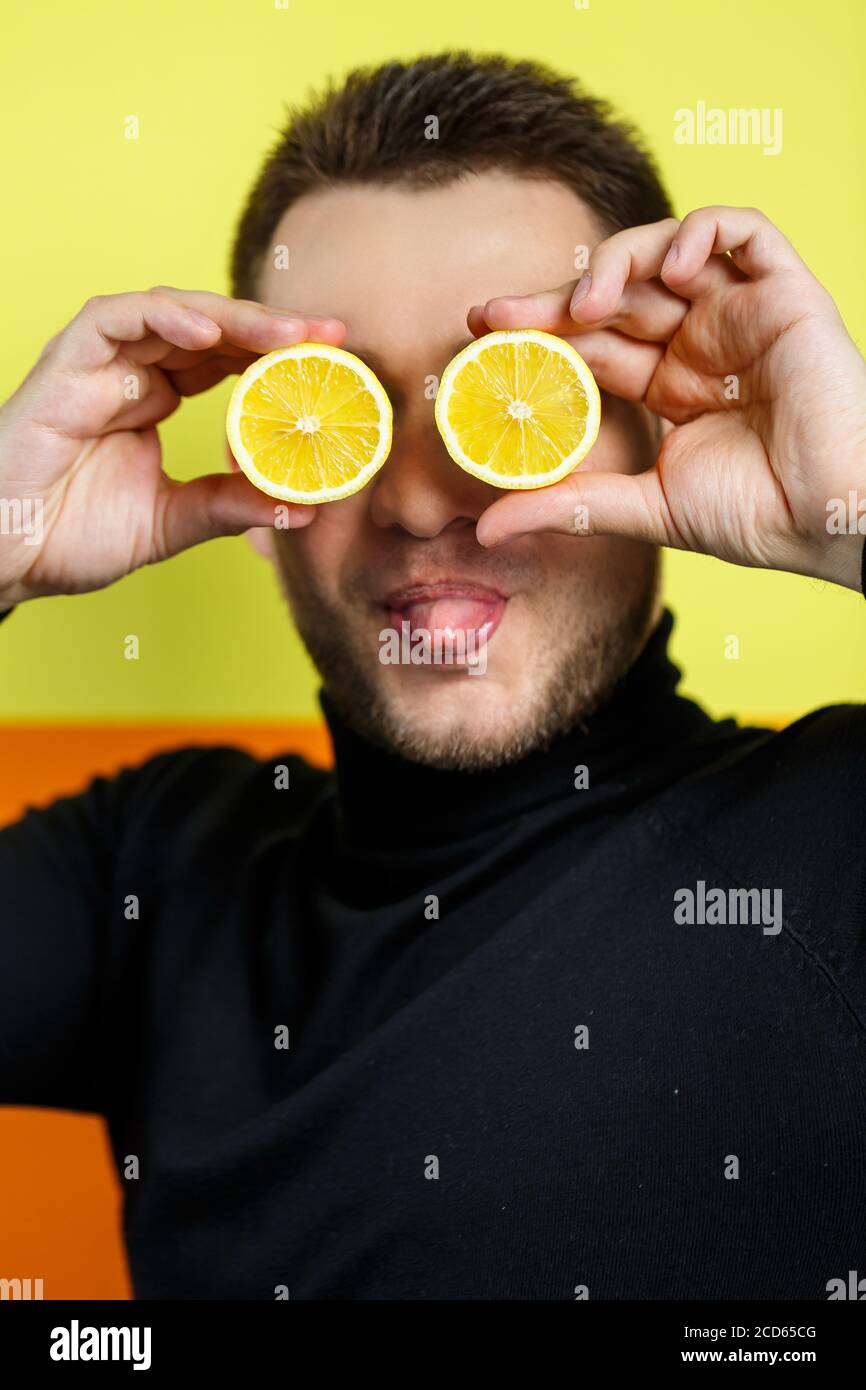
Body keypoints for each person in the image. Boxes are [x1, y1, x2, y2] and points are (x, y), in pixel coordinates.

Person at [1, 52, 865, 1301]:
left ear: (648, 421)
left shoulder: (834, 840)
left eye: (502, 398)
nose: (415, 500)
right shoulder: (153, 876)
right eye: (338, 407)